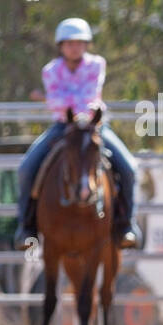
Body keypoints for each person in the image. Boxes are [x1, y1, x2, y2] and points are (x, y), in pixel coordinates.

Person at [15, 17, 141, 249]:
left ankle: (127, 225)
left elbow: (86, 98)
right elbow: (58, 105)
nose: (75, 47)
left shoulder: (96, 64)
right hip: (64, 127)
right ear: (61, 46)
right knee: (25, 170)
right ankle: (26, 228)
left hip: (94, 126)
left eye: (80, 42)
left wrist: (52, 99)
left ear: (87, 45)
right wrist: (56, 101)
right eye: (69, 43)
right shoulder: (51, 70)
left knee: (130, 168)